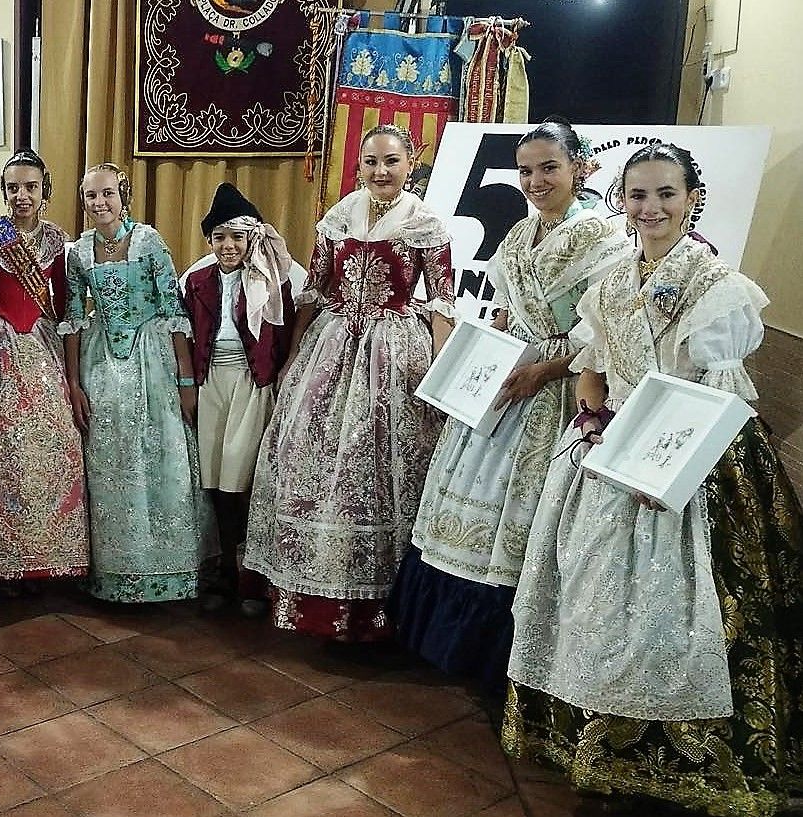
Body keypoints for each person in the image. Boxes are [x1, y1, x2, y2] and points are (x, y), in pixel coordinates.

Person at [503, 143, 803, 817]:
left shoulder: (716, 285)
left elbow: (722, 391)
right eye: (637, 195)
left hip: (696, 453)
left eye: (666, 194)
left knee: (685, 611)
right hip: (616, 449)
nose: (651, 208)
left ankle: (685, 756)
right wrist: (587, 416)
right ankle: (606, 744)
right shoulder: (611, 281)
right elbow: (593, 363)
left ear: (692, 197)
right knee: (596, 603)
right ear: (621, 201)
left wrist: (671, 462)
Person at [389, 119, 632, 689]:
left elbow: (603, 330)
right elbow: (504, 307)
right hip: (505, 381)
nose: (536, 180)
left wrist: (545, 370)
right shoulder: (521, 234)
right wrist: (491, 341)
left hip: (556, 390)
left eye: (550, 167)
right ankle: (445, 640)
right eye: (526, 170)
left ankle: (504, 659)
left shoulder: (605, 239)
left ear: (580, 167)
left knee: (523, 521)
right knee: (465, 502)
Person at [244, 124, 454, 641]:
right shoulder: (337, 218)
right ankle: (309, 591)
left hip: (394, 350)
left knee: (380, 465)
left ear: (411, 163)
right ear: (358, 166)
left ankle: (380, 605)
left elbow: (443, 303)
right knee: (308, 456)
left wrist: (441, 371)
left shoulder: (426, 224)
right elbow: (314, 292)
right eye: (371, 162)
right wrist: (295, 355)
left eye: (392, 161)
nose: (381, 171)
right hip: (332, 347)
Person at [62, 162, 212, 602]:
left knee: (159, 455)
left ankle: (169, 569)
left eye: (108, 194)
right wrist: (73, 382)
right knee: (111, 460)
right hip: (102, 359)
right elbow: (72, 319)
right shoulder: (79, 252)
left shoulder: (147, 241)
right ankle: (116, 570)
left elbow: (172, 311)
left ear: (123, 196)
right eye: (91, 196)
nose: (100, 203)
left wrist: (185, 381)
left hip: (152, 360)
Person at [0, 149, 89, 593]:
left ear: (46, 190)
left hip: (44, 348)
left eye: (30, 187)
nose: (21, 196)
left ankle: (47, 556)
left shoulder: (60, 242)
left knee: (54, 447)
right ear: (3, 191)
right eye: (12, 188)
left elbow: (64, 306)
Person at [181, 183, 295, 615]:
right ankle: (224, 568)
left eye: (237, 237)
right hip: (212, 381)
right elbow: (186, 333)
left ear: (252, 238)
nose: (228, 246)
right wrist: (188, 384)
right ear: (209, 241)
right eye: (219, 237)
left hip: (252, 381)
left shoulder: (273, 277)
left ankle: (252, 576)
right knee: (213, 479)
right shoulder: (196, 281)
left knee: (241, 478)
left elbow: (287, 333)